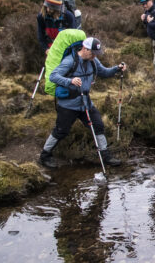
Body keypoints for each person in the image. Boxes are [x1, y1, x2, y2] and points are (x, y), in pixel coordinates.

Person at [39, 37, 126, 169]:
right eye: (92, 53)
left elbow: (104, 72)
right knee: (61, 131)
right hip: (68, 104)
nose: (94, 56)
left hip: (85, 103)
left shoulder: (93, 60)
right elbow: (53, 76)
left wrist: (116, 69)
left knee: (98, 125)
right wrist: (70, 81)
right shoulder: (69, 61)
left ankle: (105, 156)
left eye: (96, 54)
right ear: (84, 49)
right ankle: (44, 156)